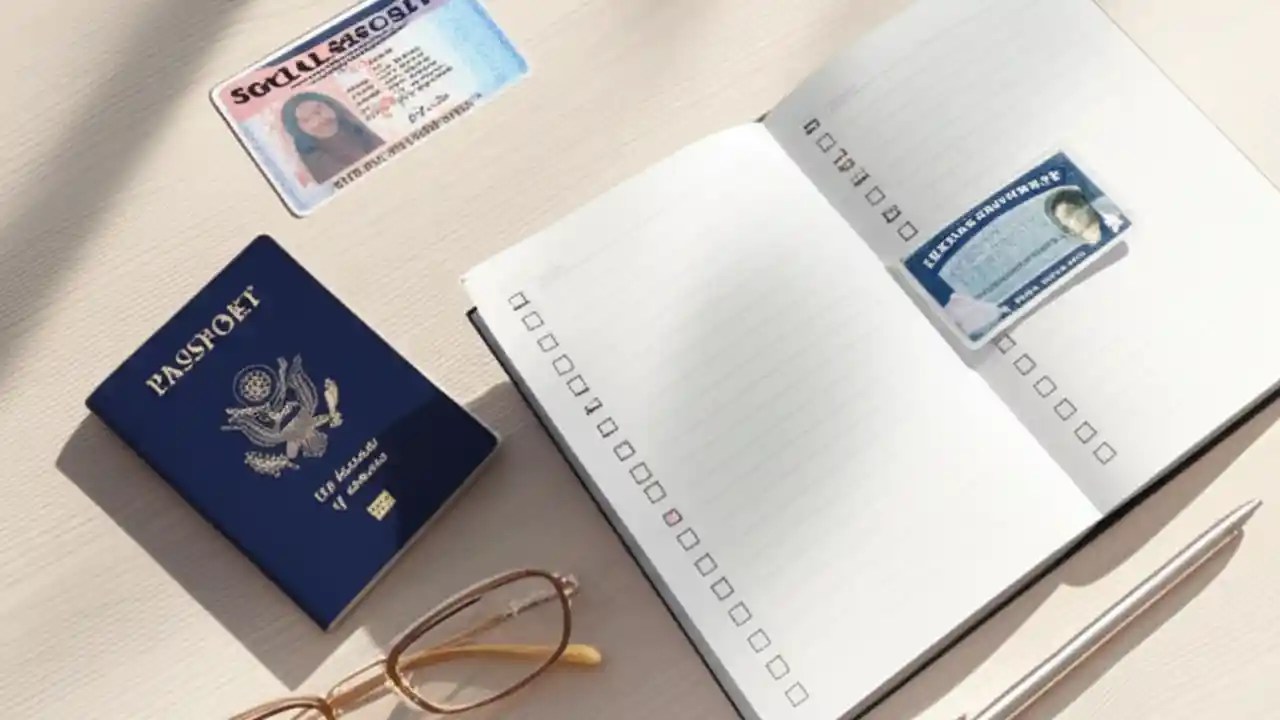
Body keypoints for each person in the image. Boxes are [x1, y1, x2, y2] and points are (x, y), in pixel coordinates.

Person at [281, 92, 385, 184]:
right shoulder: (313, 156)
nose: (319, 120)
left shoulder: (353, 125)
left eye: (319, 110)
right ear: (297, 127)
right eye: (307, 120)